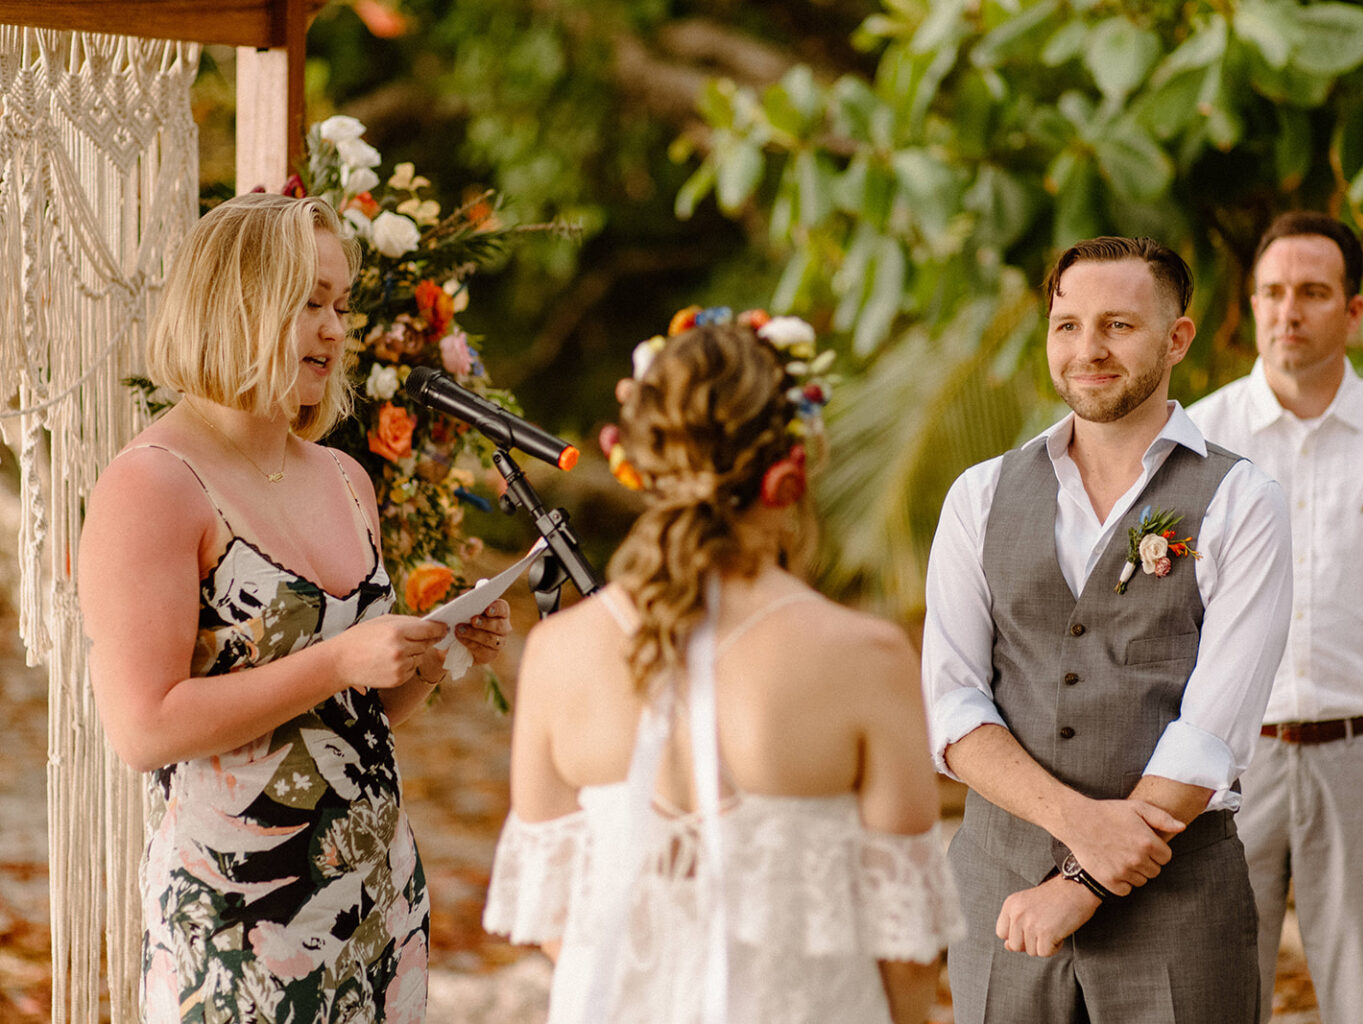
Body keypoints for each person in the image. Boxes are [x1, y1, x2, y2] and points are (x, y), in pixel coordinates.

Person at [76, 192, 511, 1023]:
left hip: (373, 899)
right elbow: (144, 728)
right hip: (240, 921)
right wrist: (342, 657)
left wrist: (432, 653)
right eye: (310, 302)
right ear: (237, 303)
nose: (335, 329)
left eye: (340, 305)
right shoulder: (154, 485)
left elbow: (355, 718)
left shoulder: (346, 480)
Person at [483, 307, 965, 1024]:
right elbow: (906, 948)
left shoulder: (558, 652)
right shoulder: (866, 659)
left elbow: (559, 920)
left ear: (636, 462)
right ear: (791, 470)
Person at [923, 236, 1295, 1023]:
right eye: (1067, 325)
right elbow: (953, 706)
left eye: (1119, 326)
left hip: (1181, 909)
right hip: (1003, 900)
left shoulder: (1243, 500)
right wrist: (1081, 831)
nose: (1087, 349)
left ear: (1178, 338)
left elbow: (1212, 731)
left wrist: (1084, 883)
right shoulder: (979, 496)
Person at [1187, 212, 1363, 1024]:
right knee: (1213, 995)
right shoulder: (1196, 442)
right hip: (1221, 770)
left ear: (1352, 312)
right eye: (1273, 293)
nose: (1289, 312)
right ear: (1250, 305)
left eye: (1313, 293)